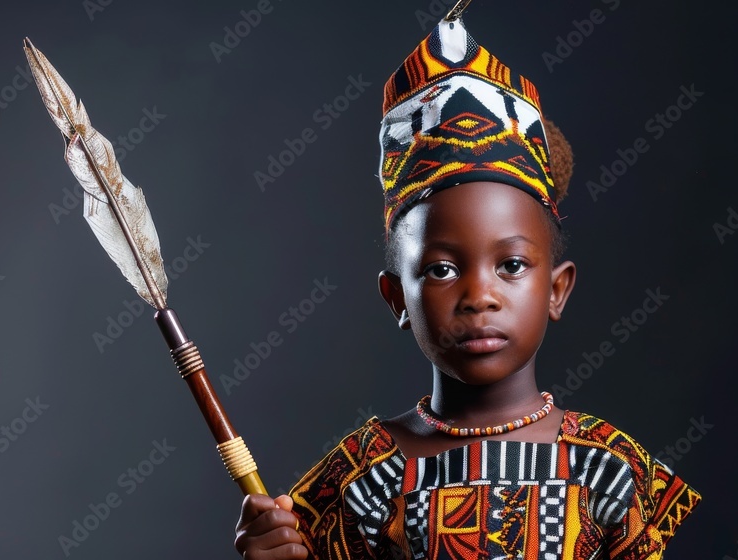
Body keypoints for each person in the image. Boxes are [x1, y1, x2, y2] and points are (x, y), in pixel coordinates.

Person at [235, 14, 701, 560]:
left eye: (511, 266)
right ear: (396, 298)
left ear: (557, 289)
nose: (480, 296)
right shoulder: (358, 477)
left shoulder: (608, 470)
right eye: (441, 270)